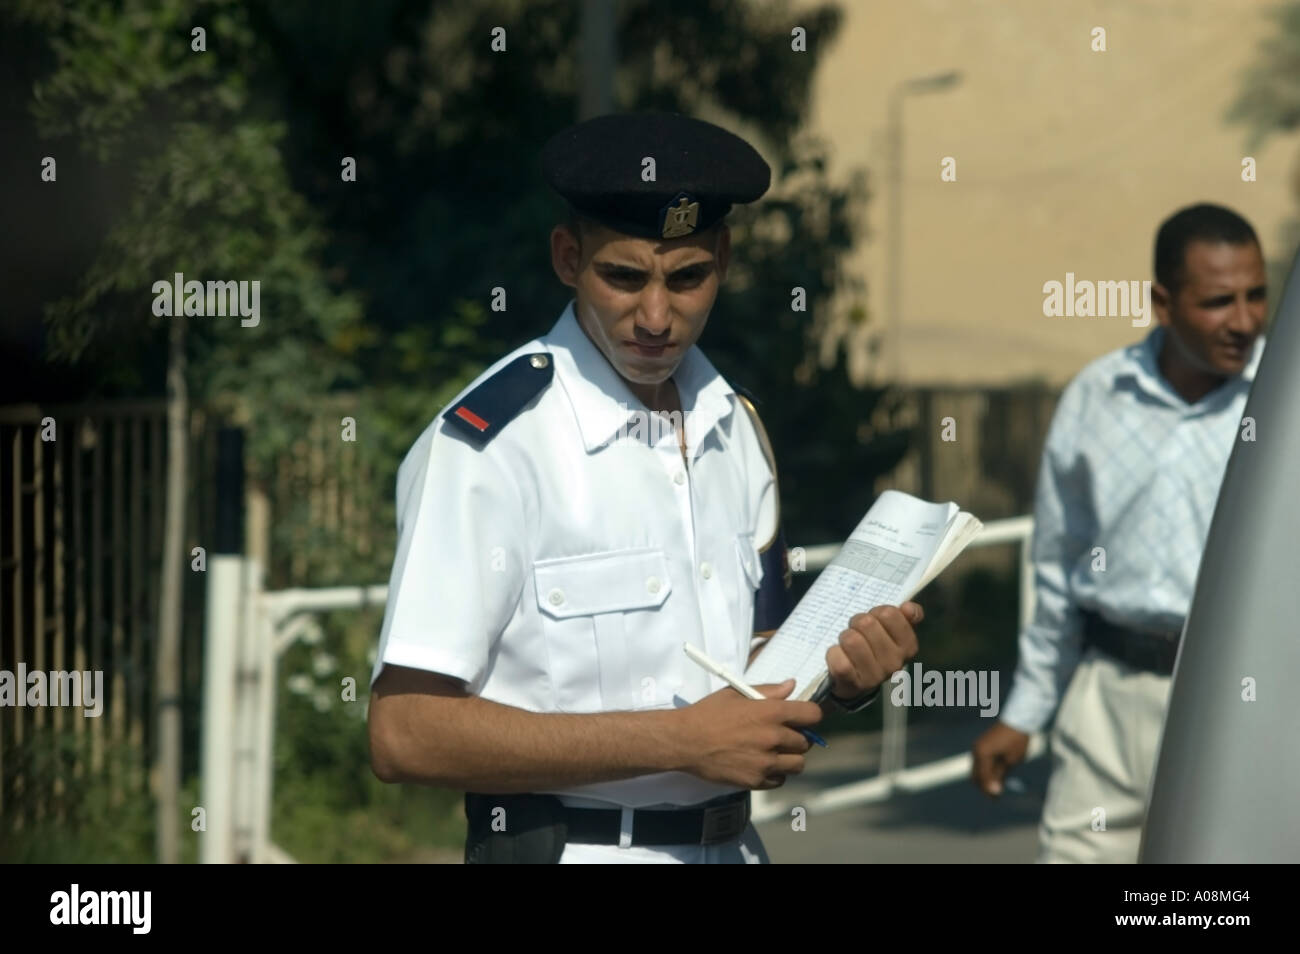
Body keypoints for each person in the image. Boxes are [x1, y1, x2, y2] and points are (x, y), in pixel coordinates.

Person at [365, 111, 924, 864]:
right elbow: (404, 733)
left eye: (687, 277)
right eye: (623, 277)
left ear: (724, 258)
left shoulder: (734, 426)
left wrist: (844, 678)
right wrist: (678, 742)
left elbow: (758, 678)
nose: (656, 317)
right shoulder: (494, 445)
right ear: (568, 257)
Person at [971, 203, 1268, 863]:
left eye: (1257, 295)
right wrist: (1023, 713)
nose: (1245, 321)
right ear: (1163, 302)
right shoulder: (1096, 398)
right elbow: (1057, 569)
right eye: (1219, 301)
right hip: (1105, 704)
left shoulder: (1286, 402)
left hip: (1238, 705)